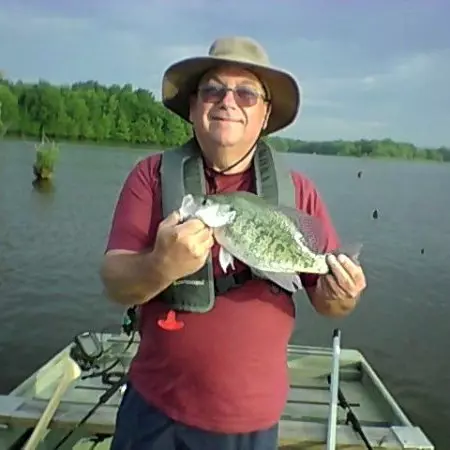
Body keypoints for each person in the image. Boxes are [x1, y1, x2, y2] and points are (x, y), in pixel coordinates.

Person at [100, 36, 367, 450]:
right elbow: (115, 284)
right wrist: (161, 265)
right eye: (212, 89)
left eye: (245, 93)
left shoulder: (299, 191)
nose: (228, 101)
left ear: (264, 116)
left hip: (250, 422)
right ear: (193, 107)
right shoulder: (150, 177)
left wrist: (343, 293)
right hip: (155, 409)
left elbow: (331, 305)